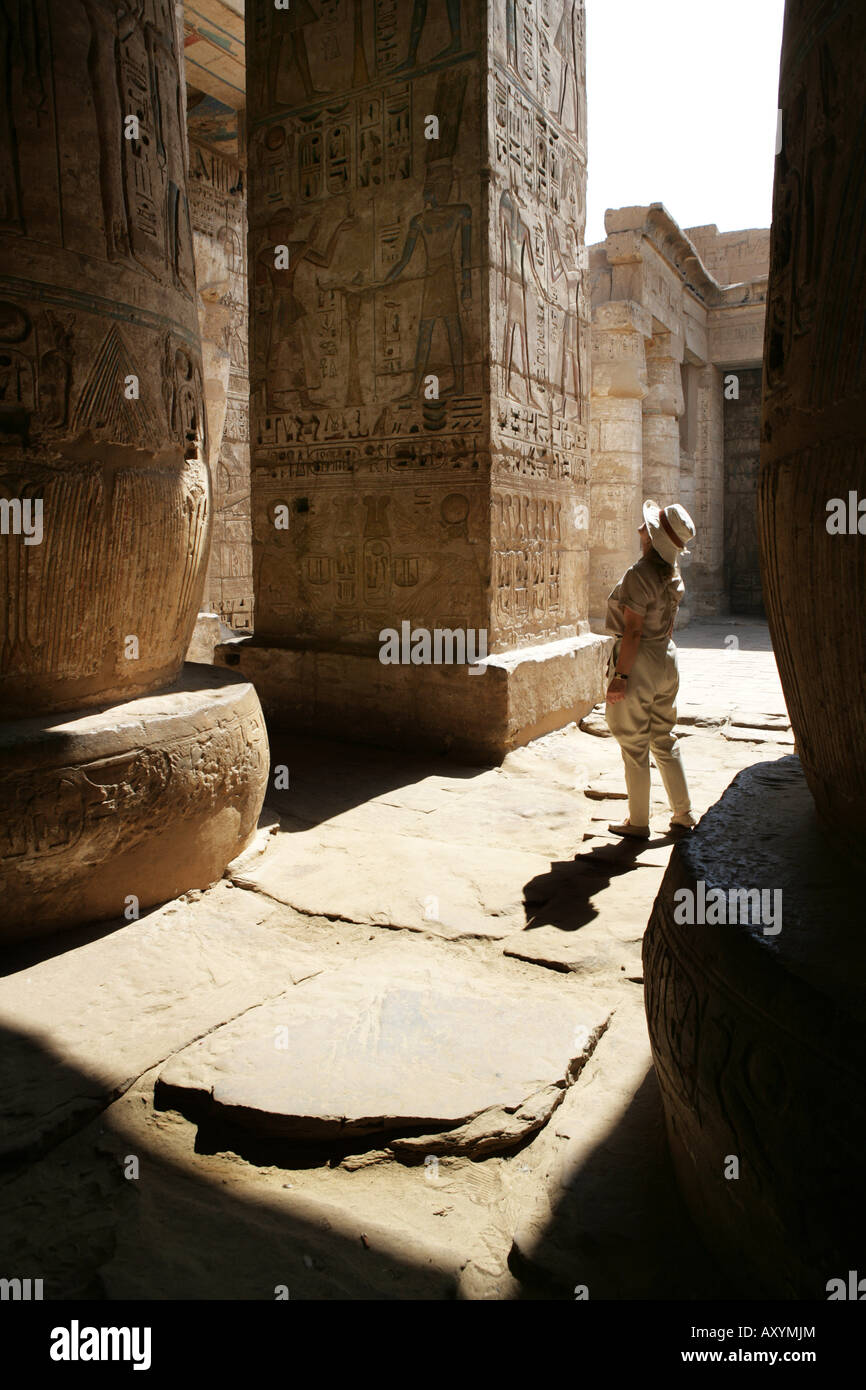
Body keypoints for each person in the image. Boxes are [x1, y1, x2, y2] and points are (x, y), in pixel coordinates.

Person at [603, 500, 698, 839]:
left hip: (639, 659)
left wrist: (621, 676)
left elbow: (633, 631)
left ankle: (638, 822)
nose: (640, 528)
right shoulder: (671, 573)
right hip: (666, 658)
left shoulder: (640, 574)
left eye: (647, 526)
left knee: (633, 743)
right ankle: (683, 812)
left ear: (652, 537)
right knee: (664, 738)